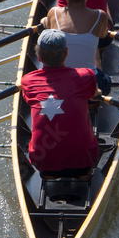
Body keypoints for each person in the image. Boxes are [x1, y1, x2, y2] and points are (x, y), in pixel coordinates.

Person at [20, 29, 99, 175]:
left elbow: (28, 100)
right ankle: (85, 174)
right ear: (66, 53)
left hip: (43, 162)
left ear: (38, 56)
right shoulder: (85, 76)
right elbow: (94, 95)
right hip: (84, 161)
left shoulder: (28, 81)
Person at [43, 0, 112, 95]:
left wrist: (45, 21)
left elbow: (49, 32)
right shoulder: (100, 15)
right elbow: (103, 35)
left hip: (61, 81)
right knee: (107, 78)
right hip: (88, 84)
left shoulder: (53, 13)